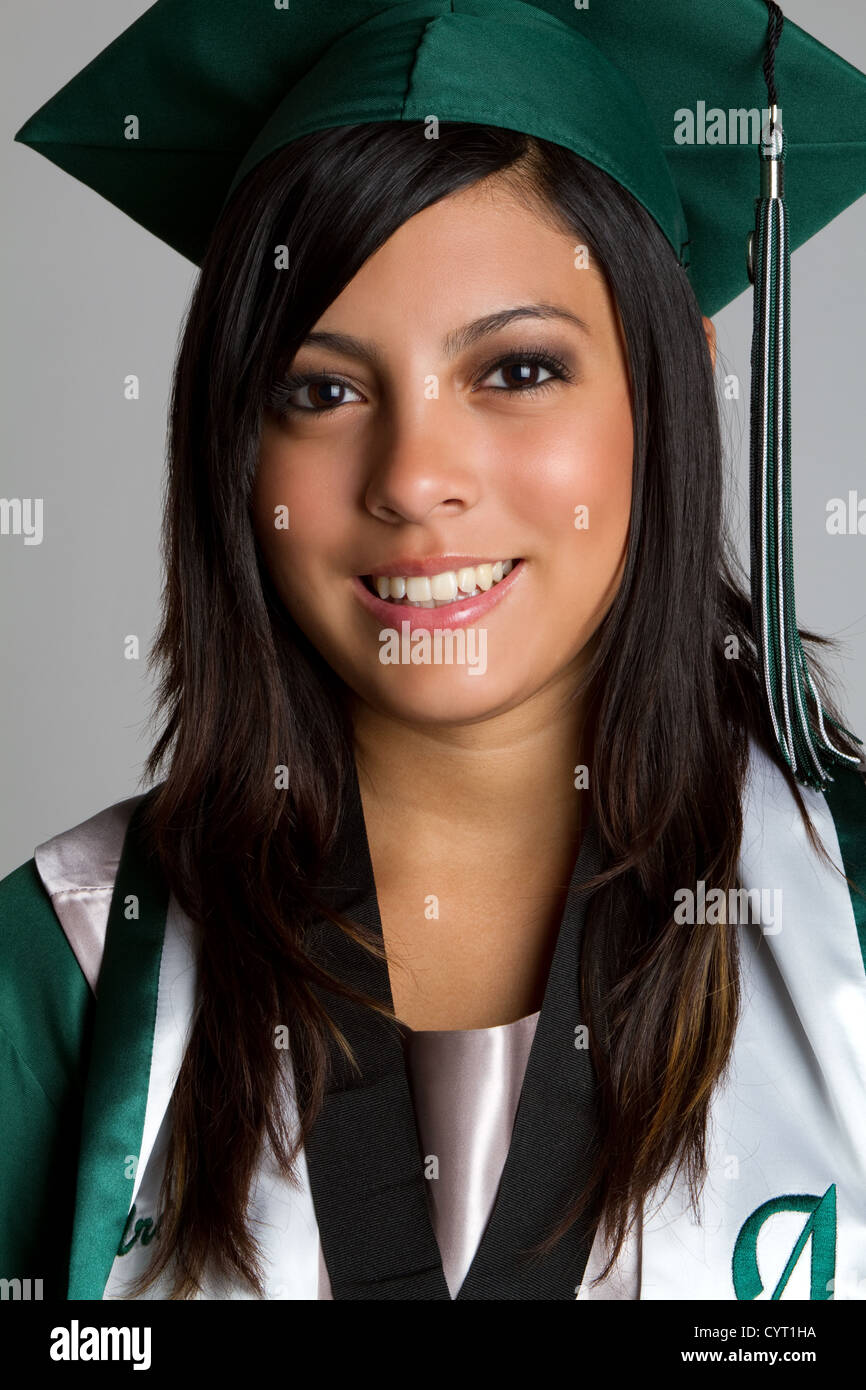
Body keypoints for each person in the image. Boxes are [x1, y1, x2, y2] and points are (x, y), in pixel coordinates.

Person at [2, 0, 866, 1301]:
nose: (412, 479)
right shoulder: (63, 973)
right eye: (321, 388)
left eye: (516, 371)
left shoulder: (844, 921)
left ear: (673, 379)